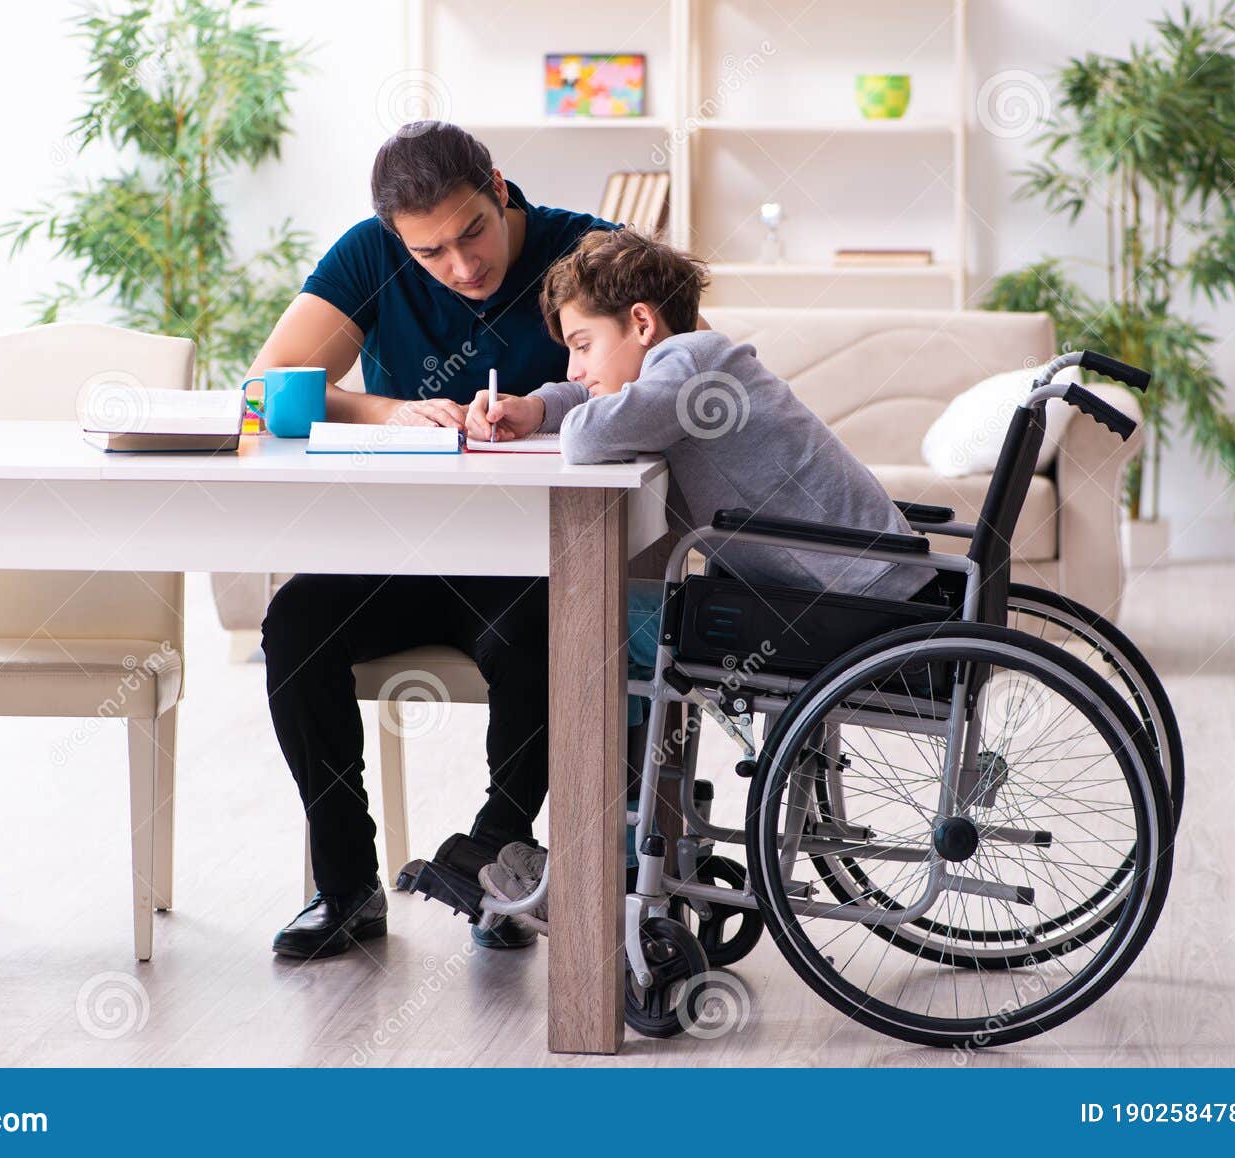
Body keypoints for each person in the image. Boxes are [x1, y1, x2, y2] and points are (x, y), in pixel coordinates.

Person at [467, 230, 940, 913]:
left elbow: (591, 434)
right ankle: (631, 852)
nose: (574, 369)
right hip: (859, 589)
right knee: (622, 614)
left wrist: (558, 417)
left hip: (845, 609)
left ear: (640, 321)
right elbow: (598, 404)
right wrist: (534, 407)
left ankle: (605, 863)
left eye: (580, 345)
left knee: (587, 617)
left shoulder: (691, 364)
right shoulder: (693, 361)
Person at [251, 122, 614, 960]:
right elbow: (274, 382)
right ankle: (345, 888)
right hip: (405, 548)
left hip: (532, 559)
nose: (461, 267)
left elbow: (663, 373)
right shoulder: (369, 255)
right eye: (429, 253)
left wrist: (547, 405)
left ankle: (498, 863)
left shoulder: (587, 250)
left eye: (472, 233)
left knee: (541, 635)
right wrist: (389, 410)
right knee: (294, 628)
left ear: (497, 185)